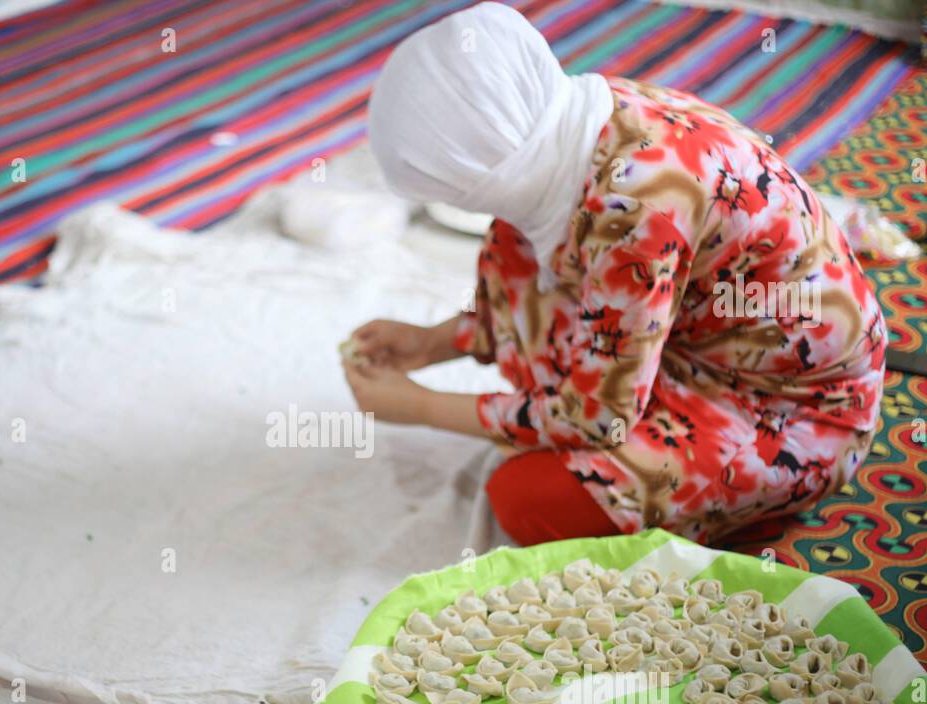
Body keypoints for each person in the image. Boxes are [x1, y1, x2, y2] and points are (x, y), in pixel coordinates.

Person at [343, 1, 885, 546]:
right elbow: (546, 271)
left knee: (526, 500)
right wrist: (437, 341)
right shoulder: (576, 119)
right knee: (515, 238)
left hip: (794, 410)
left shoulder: (635, 208)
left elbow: (599, 420)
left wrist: (421, 408)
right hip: (698, 343)